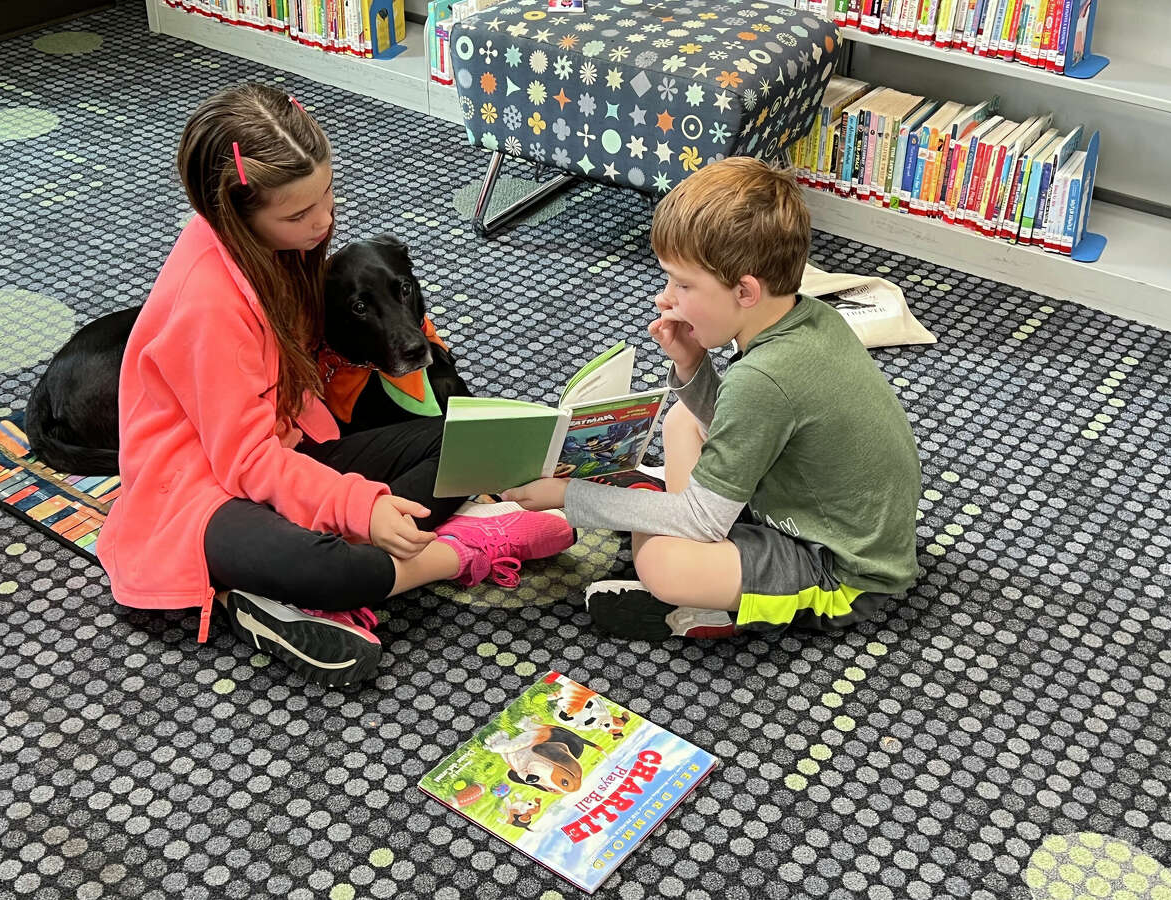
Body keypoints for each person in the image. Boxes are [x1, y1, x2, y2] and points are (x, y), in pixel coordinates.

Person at [96, 83, 574, 687]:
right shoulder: (208, 304)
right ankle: (461, 546)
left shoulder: (286, 250)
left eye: (327, 196)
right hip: (199, 493)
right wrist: (358, 507)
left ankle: (288, 588)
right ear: (233, 215)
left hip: (289, 451)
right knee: (344, 566)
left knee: (464, 441)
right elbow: (244, 461)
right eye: (298, 214)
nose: (323, 223)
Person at [502, 158, 921, 641]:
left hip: (842, 572)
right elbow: (741, 422)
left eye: (682, 284)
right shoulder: (809, 317)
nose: (665, 299)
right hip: (831, 516)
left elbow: (702, 518)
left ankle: (718, 608)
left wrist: (570, 498)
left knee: (662, 563)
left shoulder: (765, 376)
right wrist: (691, 364)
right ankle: (662, 522)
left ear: (745, 291)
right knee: (683, 418)